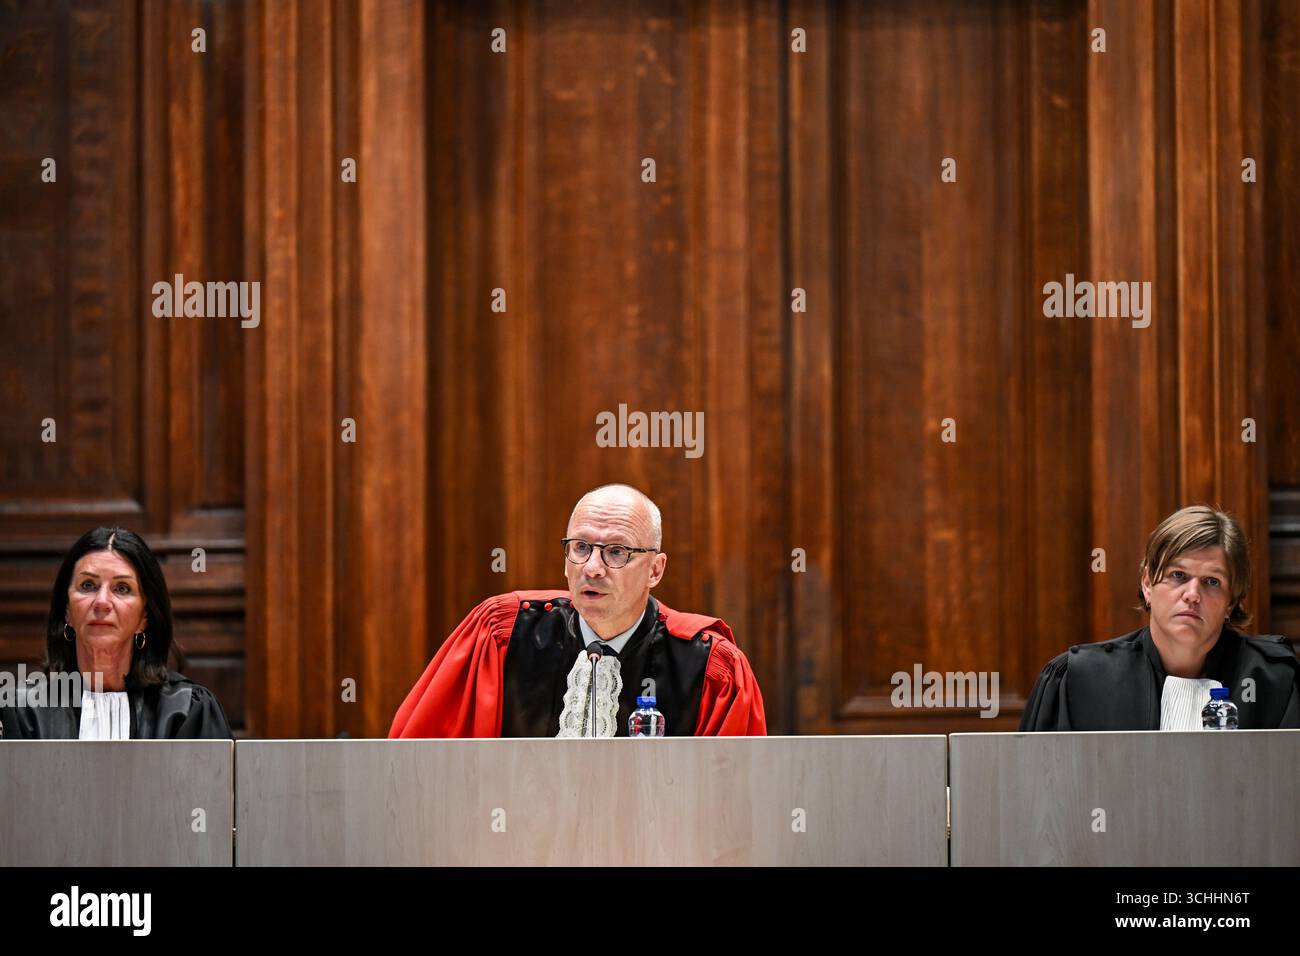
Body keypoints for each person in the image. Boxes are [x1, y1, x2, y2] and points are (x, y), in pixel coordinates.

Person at [390, 483, 766, 737]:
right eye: (581, 547)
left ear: (655, 569)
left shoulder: (710, 668)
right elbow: (424, 766)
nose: (593, 568)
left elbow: (729, 807)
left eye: (617, 551)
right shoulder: (503, 635)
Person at [1021, 505, 1299, 730]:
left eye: (1212, 582)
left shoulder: (1274, 681)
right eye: (1178, 576)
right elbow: (1040, 790)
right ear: (1147, 584)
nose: (1192, 594)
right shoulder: (1080, 679)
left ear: (1231, 603)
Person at [0, 527, 232, 739]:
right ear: (67, 611)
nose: (102, 602)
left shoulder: (188, 711)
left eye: (122, 588)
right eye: (88, 585)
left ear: (145, 617)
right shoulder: (21, 710)